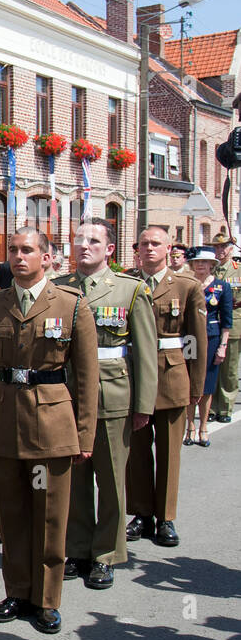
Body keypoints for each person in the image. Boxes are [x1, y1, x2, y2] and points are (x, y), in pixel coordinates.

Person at [0, 227, 97, 634]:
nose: (18, 257)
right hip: (6, 423)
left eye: (27, 250)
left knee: (49, 517)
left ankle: (46, 600)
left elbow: (85, 378)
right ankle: (16, 592)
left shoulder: (71, 305)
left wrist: (84, 435)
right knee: (10, 515)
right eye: (13, 250)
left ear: (47, 258)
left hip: (52, 424)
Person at [54, 222, 156, 590]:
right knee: (74, 478)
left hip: (111, 394)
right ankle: (78, 549)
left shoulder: (130, 290)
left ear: (109, 250)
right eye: (78, 239)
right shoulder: (58, 288)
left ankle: (106, 555)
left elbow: (146, 352)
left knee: (111, 479)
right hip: (66, 395)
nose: (83, 246)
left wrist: (143, 404)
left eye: (93, 241)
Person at [124, 227, 209, 548]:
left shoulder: (186, 286)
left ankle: (166, 518)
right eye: (143, 244)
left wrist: (195, 384)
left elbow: (194, 340)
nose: (148, 249)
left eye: (155, 244)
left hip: (171, 376)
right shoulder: (128, 284)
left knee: (170, 454)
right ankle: (142, 513)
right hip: (133, 377)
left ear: (168, 249)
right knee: (137, 453)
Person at [186, 246, 232, 446]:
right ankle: (190, 426)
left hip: (212, 338)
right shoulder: (187, 284)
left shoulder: (222, 287)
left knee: (207, 385)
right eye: (197, 262)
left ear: (212, 265)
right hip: (189, 339)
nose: (200, 265)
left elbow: (226, 321)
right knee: (188, 383)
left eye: (205, 262)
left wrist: (223, 346)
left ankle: (203, 426)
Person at [210, 229, 240, 422]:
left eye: (223, 247)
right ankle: (211, 408)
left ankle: (226, 409)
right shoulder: (209, 268)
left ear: (231, 248)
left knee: (229, 369)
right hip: (212, 323)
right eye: (217, 247)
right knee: (212, 368)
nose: (220, 250)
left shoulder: (237, 268)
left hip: (234, 323)